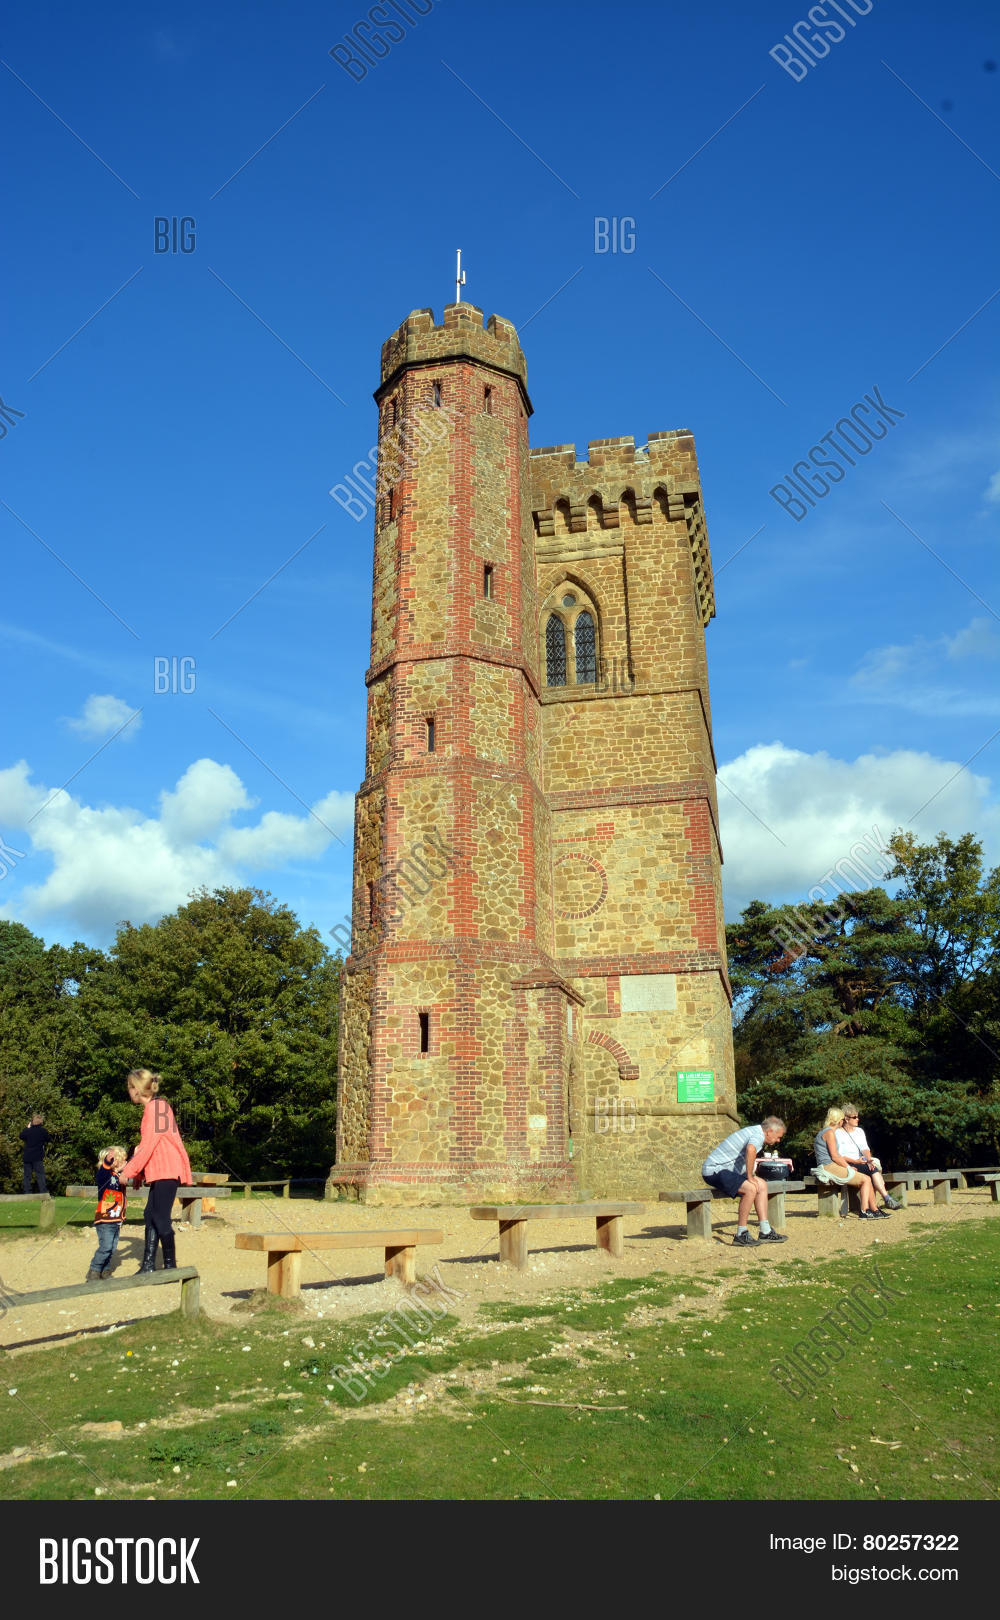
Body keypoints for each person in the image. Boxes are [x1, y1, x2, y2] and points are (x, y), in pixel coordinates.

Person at [119, 1068, 191, 1274]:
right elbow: (149, 1146)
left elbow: (149, 1144)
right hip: (160, 1170)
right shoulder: (155, 1107)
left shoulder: (157, 1108)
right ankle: (148, 1265)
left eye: (129, 1087)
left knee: (160, 1217)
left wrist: (129, 1171)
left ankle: (170, 1267)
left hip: (167, 1170)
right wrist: (140, 1174)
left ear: (136, 1089)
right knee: (150, 1214)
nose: (128, 1092)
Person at [701, 1115, 790, 1246]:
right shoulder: (758, 1135)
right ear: (769, 1131)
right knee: (751, 1188)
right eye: (778, 1136)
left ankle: (765, 1231)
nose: (778, 1140)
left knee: (762, 1185)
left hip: (726, 1170)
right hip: (714, 1170)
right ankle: (741, 1234)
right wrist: (749, 1176)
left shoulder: (756, 1132)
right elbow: (751, 1149)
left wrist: (751, 1176)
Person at [813, 1106, 887, 1219]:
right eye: (842, 1119)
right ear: (838, 1120)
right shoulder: (830, 1133)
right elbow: (835, 1156)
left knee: (866, 1178)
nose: (843, 1121)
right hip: (828, 1166)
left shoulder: (827, 1131)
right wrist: (848, 1167)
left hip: (830, 1165)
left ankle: (872, 1209)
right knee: (866, 1180)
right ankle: (864, 1211)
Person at [836, 1104, 901, 1210]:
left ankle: (885, 1198)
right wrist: (856, 1161)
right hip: (848, 1163)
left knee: (872, 1167)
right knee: (872, 1171)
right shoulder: (838, 1133)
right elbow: (839, 1155)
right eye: (854, 1117)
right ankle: (883, 1201)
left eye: (857, 1116)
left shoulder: (859, 1131)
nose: (858, 1119)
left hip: (861, 1161)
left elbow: (865, 1148)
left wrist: (869, 1159)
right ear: (846, 1119)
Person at [86, 1147, 127, 1282]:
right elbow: (103, 1171)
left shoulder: (118, 1177)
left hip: (116, 1219)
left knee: (112, 1247)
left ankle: (105, 1270)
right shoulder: (104, 1175)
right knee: (106, 1247)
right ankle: (94, 1270)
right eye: (121, 1161)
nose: (124, 1163)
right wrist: (108, 1161)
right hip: (105, 1219)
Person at [20, 1112, 50, 1194]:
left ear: (32, 1122)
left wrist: (27, 1128)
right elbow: (48, 1139)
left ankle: (27, 1192)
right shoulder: (43, 1131)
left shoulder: (28, 1131)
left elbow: (21, 1136)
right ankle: (43, 1192)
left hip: (27, 1156)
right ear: (41, 1122)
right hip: (37, 1157)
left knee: (27, 1176)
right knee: (40, 1175)